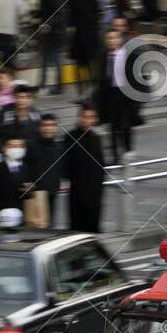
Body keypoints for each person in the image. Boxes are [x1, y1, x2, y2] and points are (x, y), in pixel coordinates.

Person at [96, 29, 138, 162]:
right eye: (109, 38)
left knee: (126, 126)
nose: (112, 41)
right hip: (110, 95)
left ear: (120, 40)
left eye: (114, 38)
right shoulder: (103, 55)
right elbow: (100, 78)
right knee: (113, 127)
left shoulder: (127, 55)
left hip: (125, 95)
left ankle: (128, 151)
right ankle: (115, 155)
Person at [66, 105, 107, 233]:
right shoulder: (71, 136)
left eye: (90, 117)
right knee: (78, 222)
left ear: (94, 120)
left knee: (93, 220)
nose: (87, 120)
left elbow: (101, 163)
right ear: (79, 118)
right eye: (84, 117)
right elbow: (67, 162)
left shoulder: (96, 138)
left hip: (94, 189)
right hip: (77, 188)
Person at [29, 114, 67, 222]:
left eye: (51, 125)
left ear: (56, 127)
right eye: (45, 125)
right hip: (35, 192)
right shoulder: (32, 146)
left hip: (52, 191)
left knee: (50, 223)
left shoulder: (60, 148)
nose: (48, 128)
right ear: (40, 127)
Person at [36, 0, 69, 94]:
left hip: (56, 33)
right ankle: (43, 85)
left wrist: (48, 24)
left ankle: (59, 86)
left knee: (55, 61)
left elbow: (59, 14)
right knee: (44, 61)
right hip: (47, 32)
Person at [0, 135, 34, 215]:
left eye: (20, 146)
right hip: (3, 212)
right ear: (4, 148)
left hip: (23, 212)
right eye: (13, 146)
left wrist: (29, 191)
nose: (16, 149)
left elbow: (29, 194)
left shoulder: (27, 167)